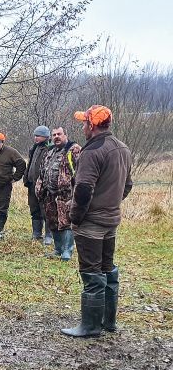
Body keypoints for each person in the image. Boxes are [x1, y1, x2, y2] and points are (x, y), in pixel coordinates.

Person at [61, 105, 132, 338]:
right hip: (111, 221)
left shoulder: (92, 152)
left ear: (92, 125)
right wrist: (110, 204)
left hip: (91, 223)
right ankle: (108, 322)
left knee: (92, 273)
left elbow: (82, 190)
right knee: (107, 269)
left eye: (84, 123)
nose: (82, 126)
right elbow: (127, 185)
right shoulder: (123, 148)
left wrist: (75, 217)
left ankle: (90, 326)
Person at [36, 127, 81, 261]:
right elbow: (42, 171)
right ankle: (58, 249)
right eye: (54, 135)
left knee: (66, 221)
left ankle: (67, 250)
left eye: (59, 134)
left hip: (66, 194)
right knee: (52, 221)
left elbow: (82, 171)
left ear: (65, 135)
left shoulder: (74, 149)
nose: (56, 137)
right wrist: (40, 188)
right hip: (49, 194)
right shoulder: (50, 152)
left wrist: (77, 191)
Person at [25, 125, 53, 244]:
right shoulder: (34, 148)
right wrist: (26, 177)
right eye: (35, 135)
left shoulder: (50, 149)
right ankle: (36, 233)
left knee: (46, 210)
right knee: (34, 209)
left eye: (38, 136)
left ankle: (48, 235)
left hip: (44, 186)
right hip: (32, 184)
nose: (36, 138)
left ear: (46, 137)